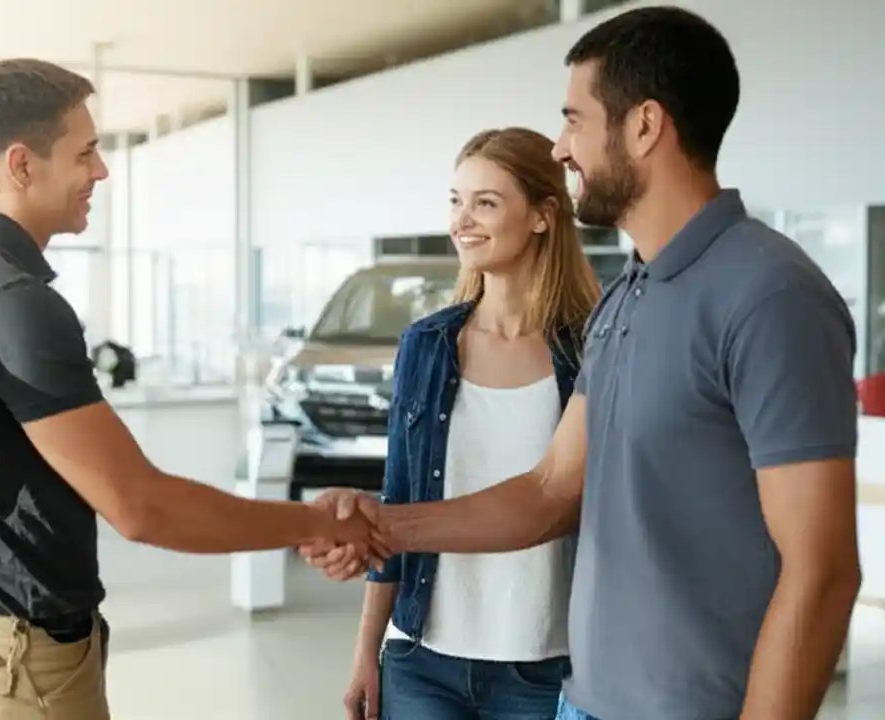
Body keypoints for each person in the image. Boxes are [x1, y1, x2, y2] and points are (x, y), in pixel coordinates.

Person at [306, 7, 862, 720]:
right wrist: (382, 525)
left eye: (575, 119)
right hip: (583, 703)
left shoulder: (769, 294)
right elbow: (546, 493)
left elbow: (822, 571)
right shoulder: (626, 300)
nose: (563, 148)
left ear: (644, 126)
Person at [0, 58, 383, 720]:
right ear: (22, 165)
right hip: (20, 665)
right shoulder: (13, 300)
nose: (101, 172)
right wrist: (314, 522)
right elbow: (141, 506)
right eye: (85, 154)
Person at [344, 127, 600, 720]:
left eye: (486, 202)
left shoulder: (592, 349)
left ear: (543, 215)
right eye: (456, 200)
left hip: (549, 664)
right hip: (423, 658)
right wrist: (366, 650)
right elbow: (400, 496)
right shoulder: (427, 344)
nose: (462, 219)